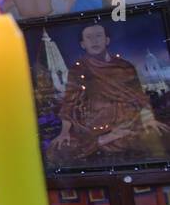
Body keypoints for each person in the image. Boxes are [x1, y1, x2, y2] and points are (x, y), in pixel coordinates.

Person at [51, 23, 170, 166]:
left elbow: (139, 97)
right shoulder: (79, 69)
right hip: (95, 129)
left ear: (107, 40)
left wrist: (149, 119)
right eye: (89, 37)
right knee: (57, 149)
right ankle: (107, 139)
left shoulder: (125, 66)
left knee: (161, 134)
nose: (94, 41)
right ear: (83, 44)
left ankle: (117, 139)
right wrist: (64, 132)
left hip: (130, 124)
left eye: (98, 36)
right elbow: (69, 101)